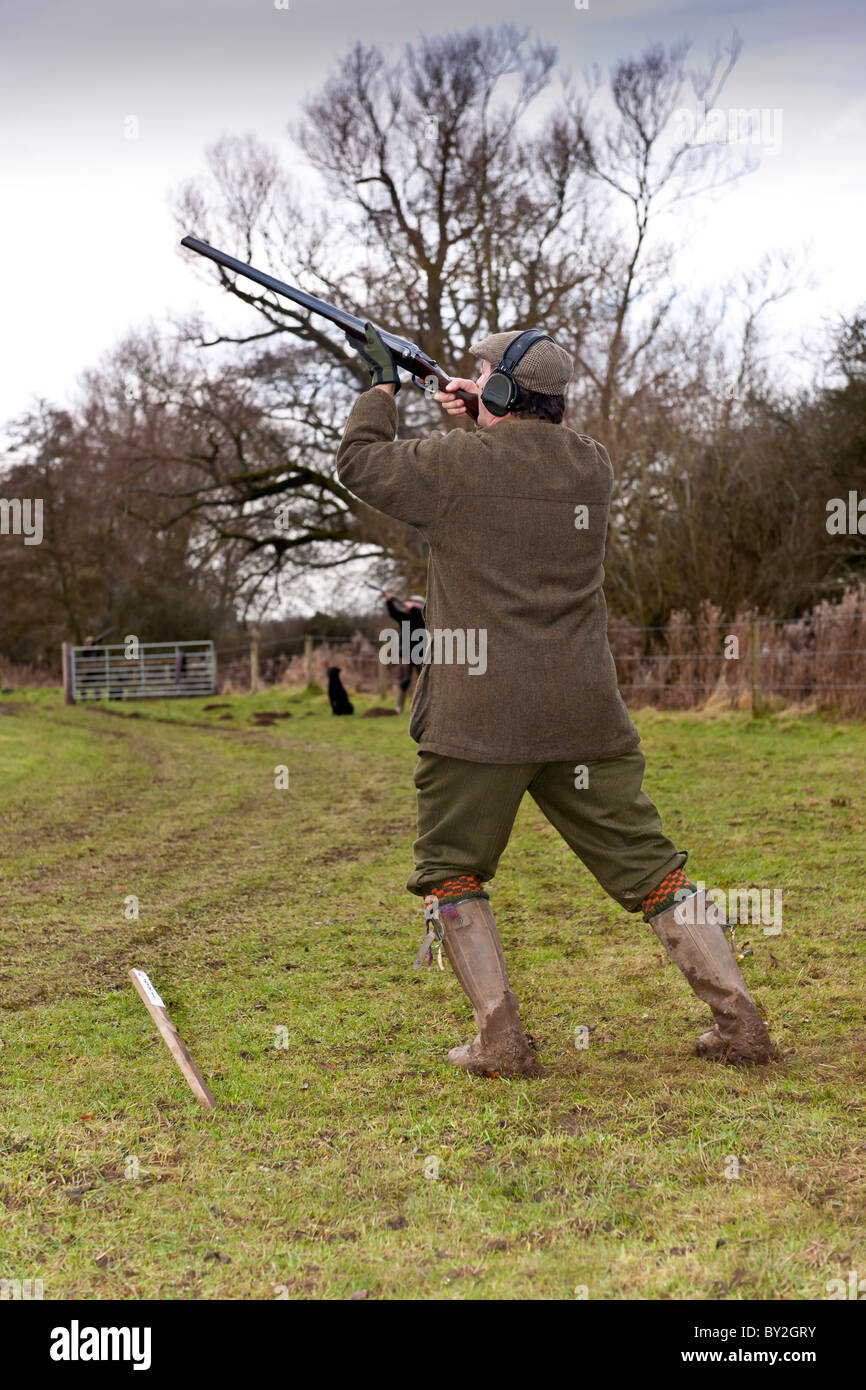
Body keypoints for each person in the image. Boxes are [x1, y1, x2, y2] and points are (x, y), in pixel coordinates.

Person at [336, 322, 775, 1077]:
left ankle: (498, 1041)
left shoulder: (453, 468)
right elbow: (522, 460)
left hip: (478, 721)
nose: (472, 381)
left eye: (483, 375)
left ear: (501, 392)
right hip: (584, 715)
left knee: (451, 871)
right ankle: (740, 1022)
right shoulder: (591, 469)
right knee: (654, 870)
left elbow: (361, 463)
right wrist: (487, 413)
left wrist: (382, 388)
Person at [383, 592, 426, 711]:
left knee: (423, 681)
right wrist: (389, 601)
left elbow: (420, 613)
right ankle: (399, 707)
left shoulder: (424, 617)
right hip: (406, 653)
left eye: (415, 602)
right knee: (405, 679)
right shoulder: (406, 617)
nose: (412, 603)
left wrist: (412, 606)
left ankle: (422, 707)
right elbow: (394, 613)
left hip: (421, 653)